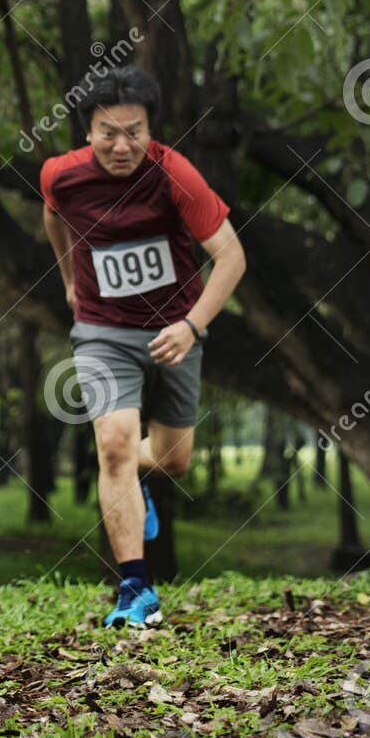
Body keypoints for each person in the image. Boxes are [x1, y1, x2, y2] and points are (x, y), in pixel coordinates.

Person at [40, 66, 245, 627]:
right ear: (87, 131)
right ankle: (135, 589)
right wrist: (68, 280)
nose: (122, 145)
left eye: (135, 131)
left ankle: (136, 483)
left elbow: (231, 257)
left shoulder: (175, 175)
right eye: (109, 132)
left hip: (175, 331)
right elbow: (54, 219)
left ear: (151, 130)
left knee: (173, 459)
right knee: (113, 445)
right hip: (102, 329)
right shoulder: (61, 176)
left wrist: (193, 325)